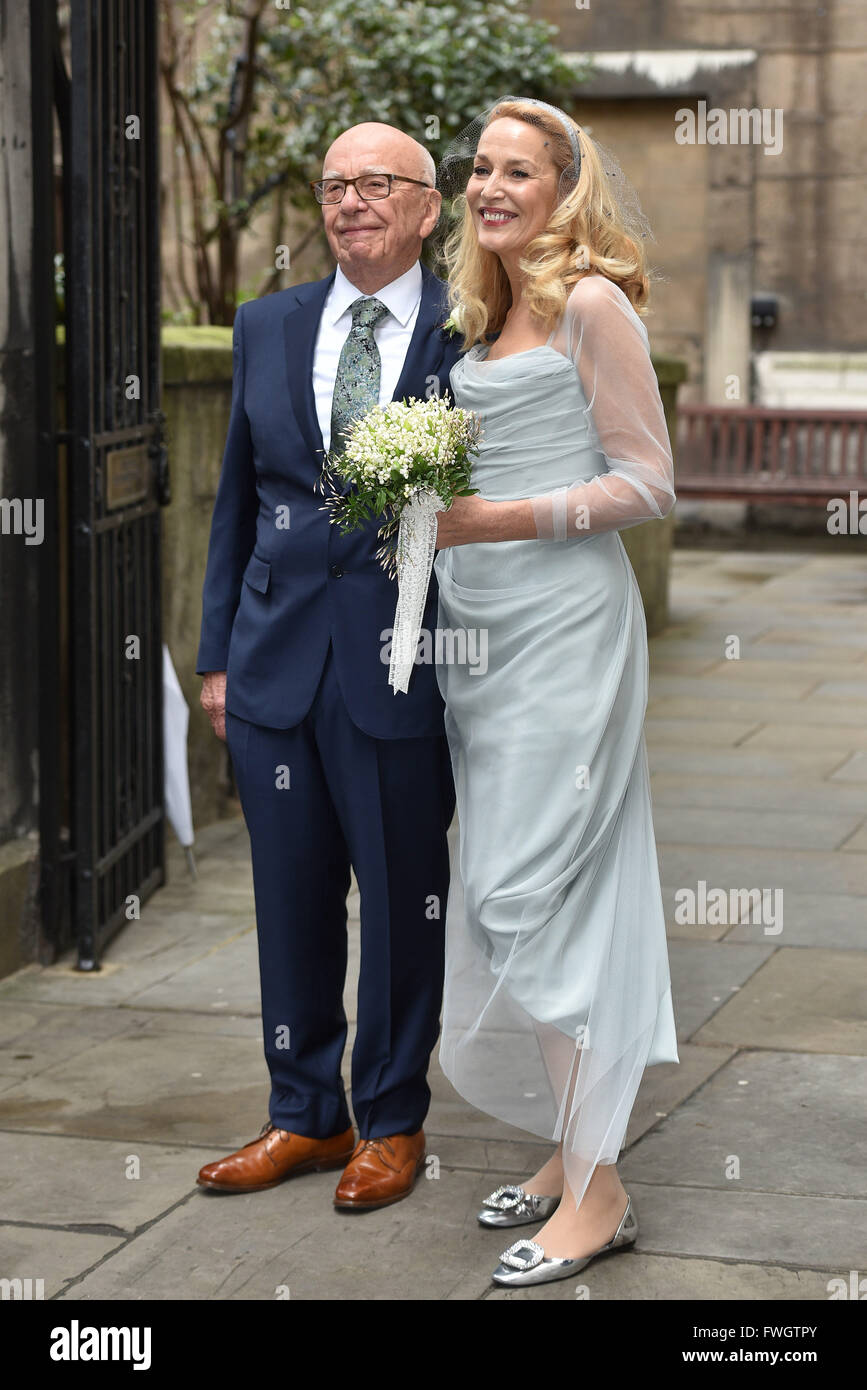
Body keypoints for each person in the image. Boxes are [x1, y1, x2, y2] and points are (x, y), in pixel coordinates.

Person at [432, 97, 679, 1287]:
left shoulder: (590, 302)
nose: (488, 186)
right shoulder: (486, 314)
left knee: (532, 886)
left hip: (568, 632)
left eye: (515, 170)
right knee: (507, 887)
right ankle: (572, 1143)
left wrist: (493, 519)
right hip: (482, 636)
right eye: (477, 166)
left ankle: (602, 1194)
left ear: (562, 189)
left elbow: (647, 482)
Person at [194, 123, 461, 1210]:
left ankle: (392, 1118)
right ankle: (304, 1113)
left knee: (403, 899)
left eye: (377, 184)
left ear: (427, 208)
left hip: (400, 663)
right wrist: (215, 657)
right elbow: (234, 502)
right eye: (335, 184)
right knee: (290, 896)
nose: (351, 201)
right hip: (270, 666)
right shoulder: (266, 323)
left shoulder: (473, 328)